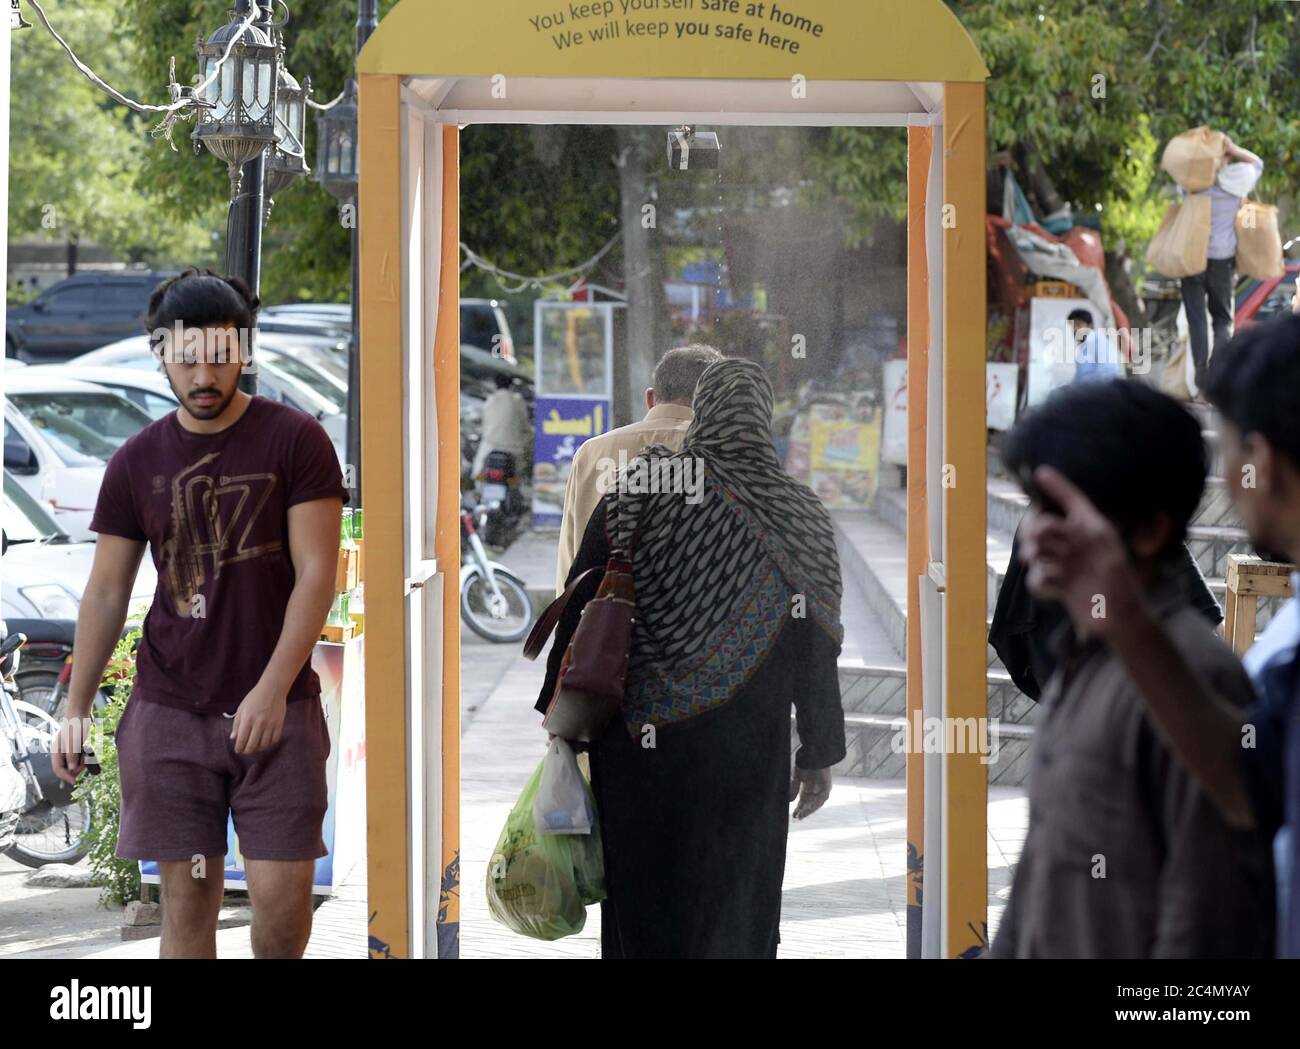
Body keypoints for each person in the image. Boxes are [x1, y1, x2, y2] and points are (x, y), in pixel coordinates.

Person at [53, 269, 348, 959]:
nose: (203, 372)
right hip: (169, 715)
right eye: (186, 357)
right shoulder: (136, 460)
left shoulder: (297, 440)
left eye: (219, 354)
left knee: (282, 912)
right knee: (187, 910)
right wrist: (76, 706)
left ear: (245, 349)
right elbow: (103, 593)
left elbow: (317, 572)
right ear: (160, 353)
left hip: (280, 713)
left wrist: (273, 688)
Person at [536, 358, 846, 958]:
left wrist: (564, 725)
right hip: (746, 755)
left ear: (702, 415)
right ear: (763, 420)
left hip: (638, 742)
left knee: (643, 901)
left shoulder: (640, 492)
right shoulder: (800, 514)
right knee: (741, 900)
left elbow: (580, 606)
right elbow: (817, 646)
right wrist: (818, 752)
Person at [1013, 315, 1300, 958]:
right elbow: (1251, 781)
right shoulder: (1089, 661)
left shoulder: (1199, 668)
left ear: (1265, 461)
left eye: (1231, 453)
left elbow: (1202, 931)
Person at [554, 343, 721, 591]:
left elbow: (570, 555)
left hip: (603, 619)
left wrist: (569, 627)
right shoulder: (726, 454)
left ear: (651, 398)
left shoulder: (592, 452)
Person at [1180, 135, 1264, 391]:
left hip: (1192, 258)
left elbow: (1177, 176)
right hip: (1221, 260)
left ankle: (1201, 372)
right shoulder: (1236, 184)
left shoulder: (1191, 184)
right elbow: (1258, 163)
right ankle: (1216, 374)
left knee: (1196, 319)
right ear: (1225, 158)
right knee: (1223, 320)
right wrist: (1233, 149)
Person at [471, 372, 531, 479]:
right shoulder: (518, 401)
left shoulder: (490, 401)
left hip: (490, 446)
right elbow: (525, 427)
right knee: (517, 475)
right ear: (511, 386)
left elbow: (484, 425)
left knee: (478, 471)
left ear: (495, 385)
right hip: (513, 448)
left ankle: (478, 490)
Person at [1065, 308, 1124, 383]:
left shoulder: (1100, 342)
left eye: (1078, 324)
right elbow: (1080, 377)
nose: (1075, 329)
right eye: (1072, 326)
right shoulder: (1082, 348)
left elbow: (1108, 373)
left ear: (1090, 326)